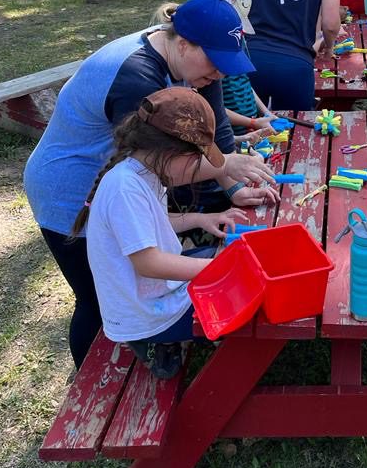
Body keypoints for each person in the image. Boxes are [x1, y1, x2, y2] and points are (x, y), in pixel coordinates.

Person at [23, 0, 275, 368]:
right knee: (96, 298)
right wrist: (228, 169)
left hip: (110, 182)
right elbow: (166, 163)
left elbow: (216, 133)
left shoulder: (194, 61)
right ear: (184, 43)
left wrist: (235, 190)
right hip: (67, 188)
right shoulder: (136, 79)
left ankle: (139, 346)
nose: (220, 74)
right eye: (216, 63)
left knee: (125, 284)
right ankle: (93, 381)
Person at [73, 87, 248, 379]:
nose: (197, 169)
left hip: (157, 293)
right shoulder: (124, 188)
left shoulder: (147, 170)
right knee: (240, 307)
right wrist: (219, 268)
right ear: (170, 151)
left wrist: (203, 218)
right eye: (194, 159)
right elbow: (149, 263)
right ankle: (154, 346)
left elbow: (152, 221)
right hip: (147, 316)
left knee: (236, 271)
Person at [200, 0, 275, 140]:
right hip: (227, 132)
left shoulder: (236, 37)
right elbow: (211, 106)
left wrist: (265, 112)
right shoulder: (206, 55)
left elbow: (244, 81)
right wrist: (252, 122)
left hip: (251, 127)